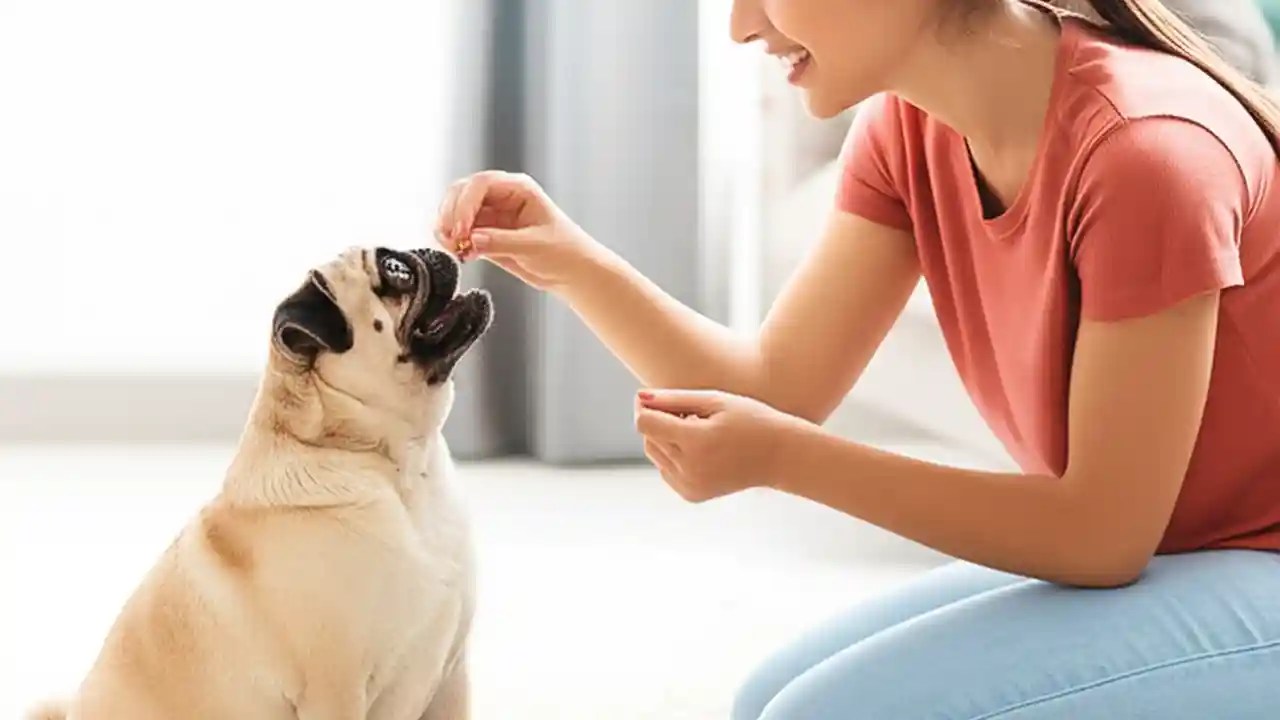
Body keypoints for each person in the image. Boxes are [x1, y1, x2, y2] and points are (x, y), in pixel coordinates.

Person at [436, 0, 1280, 716]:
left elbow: (1101, 538)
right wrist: (571, 257)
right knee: (768, 696)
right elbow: (771, 387)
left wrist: (783, 459)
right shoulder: (910, 127)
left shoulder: (1146, 154)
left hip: (1252, 565)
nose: (739, 27)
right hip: (1185, 557)